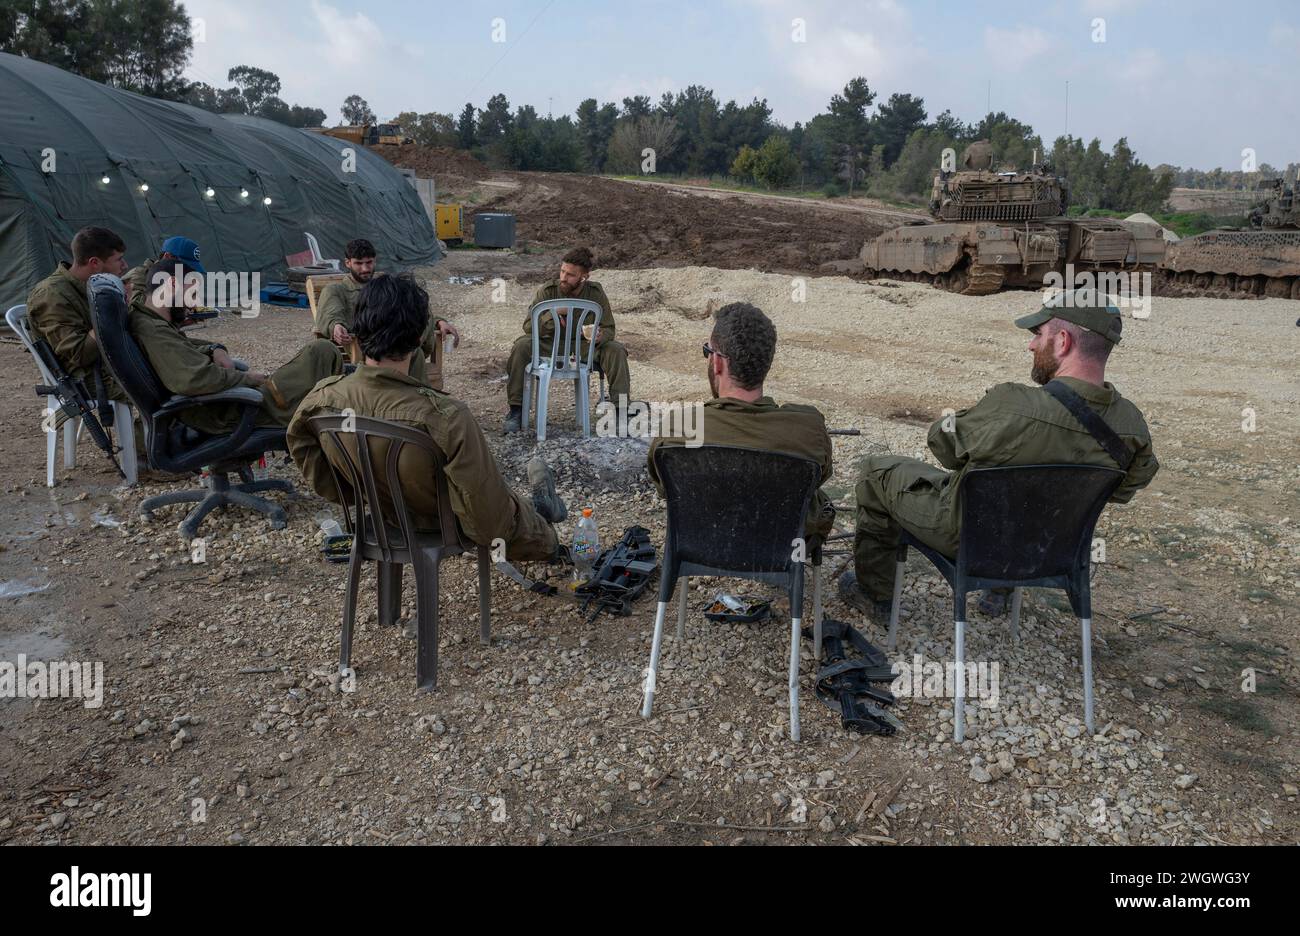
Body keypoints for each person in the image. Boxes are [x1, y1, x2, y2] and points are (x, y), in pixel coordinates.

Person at [840, 289, 1160, 622]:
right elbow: (1120, 492)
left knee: (877, 471)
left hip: (970, 539)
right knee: (1032, 496)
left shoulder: (1012, 405)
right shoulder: (1132, 427)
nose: (1031, 344)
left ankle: (875, 597)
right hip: (1052, 548)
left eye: (1038, 334)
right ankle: (1001, 589)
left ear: (1063, 341)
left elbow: (943, 446)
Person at [289, 273, 568, 562]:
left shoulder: (319, 400)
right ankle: (543, 519)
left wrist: (359, 495)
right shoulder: (448, 416)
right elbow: (491, 524)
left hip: (385, 518)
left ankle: (538, 507)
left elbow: (306, 454)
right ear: (417, 339)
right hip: (445, 523)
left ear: (358, 329)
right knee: (513, 510)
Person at [647, 302, 834, 542]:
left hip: (702, 544)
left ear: (717, 362)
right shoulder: (809, 429)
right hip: (779, 546)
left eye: (708, 351)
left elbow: (665, 490)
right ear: (766, 362)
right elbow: (819, 479)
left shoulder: (677, 428)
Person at [129, 259, 341, 436]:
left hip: (228, 401)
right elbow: (194, 379)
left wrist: (215, 348)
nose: (192, 305)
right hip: (232, 409)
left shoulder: (152, 322)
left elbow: (185, 353)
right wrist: (248, 379)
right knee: (322, 352)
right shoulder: (154, 330)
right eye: (191, 294)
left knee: (319, 358)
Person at [504, 247, 630, 433]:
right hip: (550, 345)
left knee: (616, 349)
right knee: (521, 345)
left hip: (584, 347)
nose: (563, 277)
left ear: (584, 276)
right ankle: (516, 410)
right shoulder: (548, 291)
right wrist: (553, 314)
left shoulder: (595, 293)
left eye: (571, 275)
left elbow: (609, 327)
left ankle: (621, 409)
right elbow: (529, 326)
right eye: (562, 271)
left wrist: (601, 336)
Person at [314, 238, 459, 388]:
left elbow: (405, 312)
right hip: (364, 350)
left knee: (416, 318)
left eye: (369, 262)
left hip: (397, 342)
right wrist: (335, 326)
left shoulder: (385, 287)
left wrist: (438, 321)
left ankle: (417, 396)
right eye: (358, 263)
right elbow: (331, 313)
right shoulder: (336, 290)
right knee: (414, 353)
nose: (365, 269)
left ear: (375, 261)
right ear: (347, 263)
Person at [26, 226, 129, 399]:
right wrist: (110, 311)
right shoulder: (51, 294)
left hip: (111, 364)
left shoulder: (94, 285)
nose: (125, 266)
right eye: (119, 260)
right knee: (163, 390)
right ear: (94, 263)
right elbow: (79, 354)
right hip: (86, 378)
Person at [124, 236, 204, 300]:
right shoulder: (139, 276)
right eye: (184, 267)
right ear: (167, 257)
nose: (187, 273)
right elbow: (138, 312)